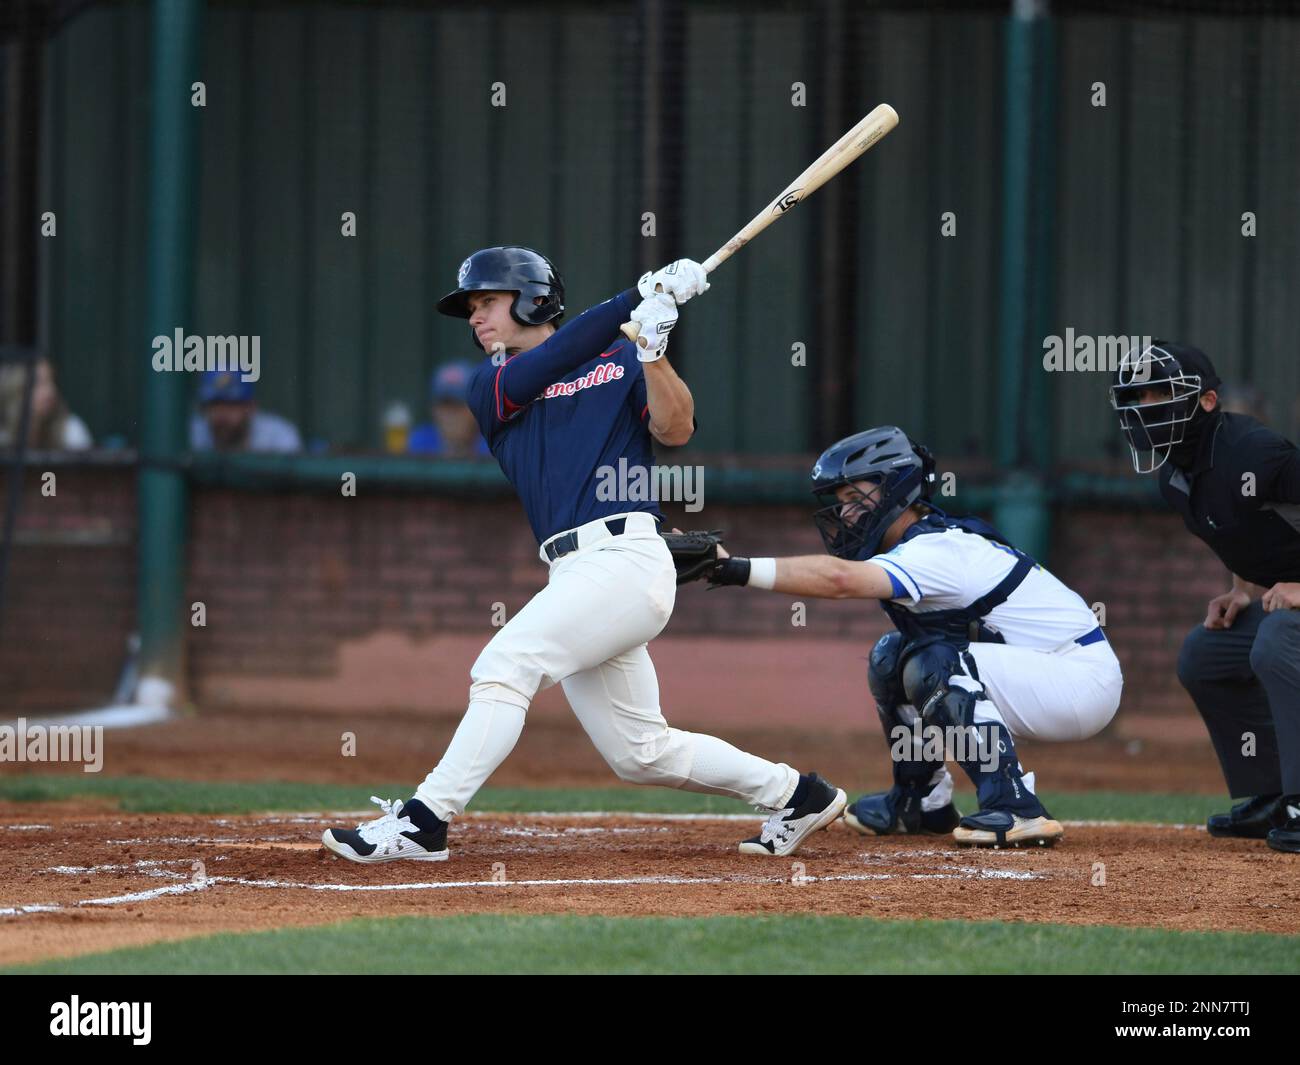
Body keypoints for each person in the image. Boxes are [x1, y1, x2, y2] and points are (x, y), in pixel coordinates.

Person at [322, 245, 846, 863]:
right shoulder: (489, 382)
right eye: (472, 307)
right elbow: (553, 358)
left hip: (624, 558)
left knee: (505, 666)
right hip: (576, 569)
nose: (475, 317)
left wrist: (650, 350)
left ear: (532, 298)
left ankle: (423, 822)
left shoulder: (620, 354)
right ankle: (798, 793)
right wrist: (636, 296)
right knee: (640, 753)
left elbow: (675, 429)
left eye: (487, 301)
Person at [702, 425, 1124, 848]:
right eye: (841, 502)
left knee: (934, 664)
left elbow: (838, 580)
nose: (846, 513)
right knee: (891, 657)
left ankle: (1016, 806)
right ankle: (921, 801)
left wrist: (735, 568)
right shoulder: (916, 545)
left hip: (1078, 681)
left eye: (854, 498)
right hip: (1041, 671)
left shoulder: (936, 550)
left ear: (894, 489)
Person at [1111, 341, 1300, 854]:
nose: (1146, 408)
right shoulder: (1175, 477)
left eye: (1160, 395)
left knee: (1279, 638)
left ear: (1207, 402)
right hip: (1285, 605)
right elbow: (1242, 533)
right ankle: (1272, 795)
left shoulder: (1257, 453)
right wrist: (1241, 590)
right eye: (1137, 397)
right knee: (1206, 653)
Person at [189, 370, 302, 453]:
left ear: (251, 407)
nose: (222, 414)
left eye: (231, 405)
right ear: (203, 409)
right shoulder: (191, 435)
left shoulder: (277, 436)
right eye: (215, 405)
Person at [0, 357, 93, 450]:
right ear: (16, 388)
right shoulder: (3, 435)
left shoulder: (70, 431)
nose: (51, 391)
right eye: (38, 383)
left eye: (51, 381)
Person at [407, 360, 489, 457]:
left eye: (458, 406)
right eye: (444, 406)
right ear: (433, 409)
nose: (450, 415)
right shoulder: (421, 441)